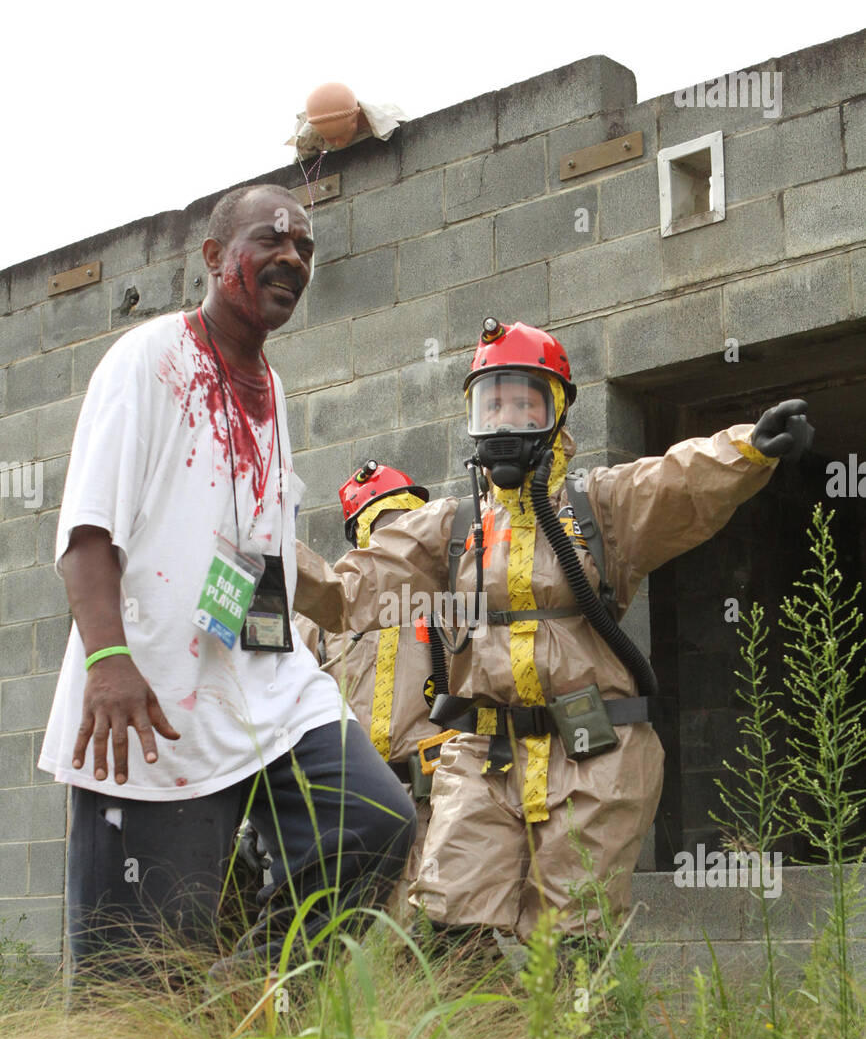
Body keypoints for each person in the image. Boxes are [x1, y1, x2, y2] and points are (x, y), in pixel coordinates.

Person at [293, 317, 815, 954]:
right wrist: (261, 554)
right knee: (446, 932)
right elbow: (350, 587)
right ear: (473, 416)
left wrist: (749, 448)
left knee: (571, 946)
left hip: (594, 753)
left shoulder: (602, 508)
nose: (508, 416)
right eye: (494, 401)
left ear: (556, 410)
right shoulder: (450, 527)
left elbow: (676, 482)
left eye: (525, 400)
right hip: (483, 759)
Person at [37, 183, 416, 988]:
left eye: (306, 248)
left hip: (260, 691)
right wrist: (108, 658)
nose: (292, 258)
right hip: (150, 712)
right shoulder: (150, 361)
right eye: (270, 240)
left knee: (376, 816)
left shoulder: (272, 391)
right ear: (213, 257)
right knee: (138, 984)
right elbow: (85, 531)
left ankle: (251, 986)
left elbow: (252, 548)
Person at [296, 462, 450, 920]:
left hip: (437, 803)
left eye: (405, 520)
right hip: (353, 806)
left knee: (439, 925)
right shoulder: (321, 622)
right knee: (354, 927)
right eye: (382, 524)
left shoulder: (453, 605)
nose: (397, 533)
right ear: (360, 536)